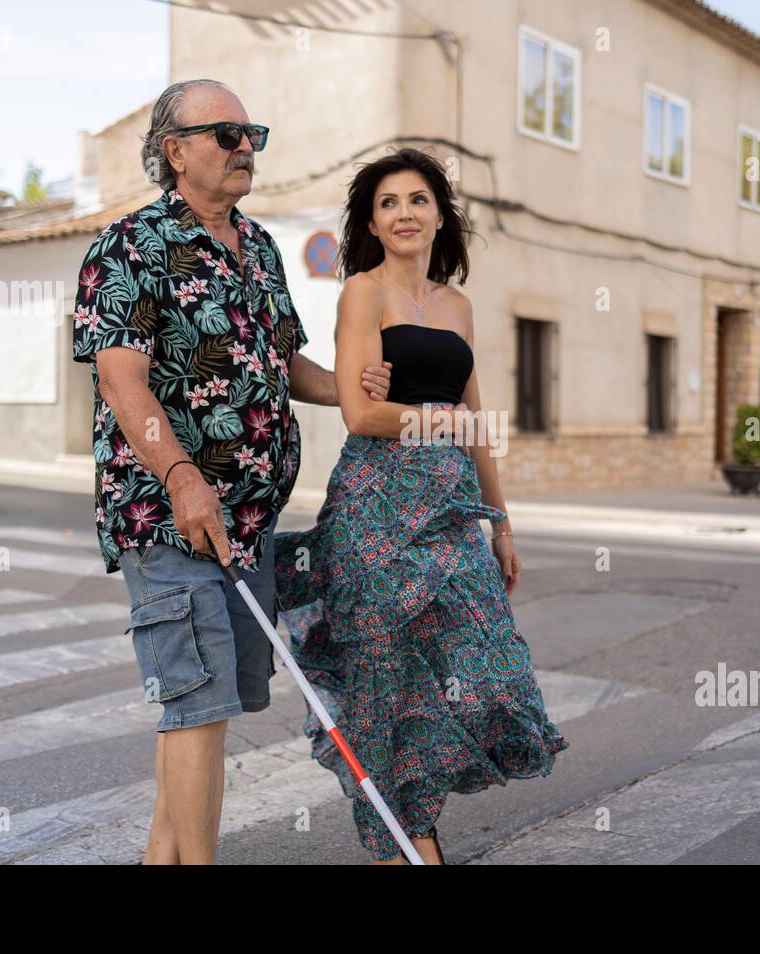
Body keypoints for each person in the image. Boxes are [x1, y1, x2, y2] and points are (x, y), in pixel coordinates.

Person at [71, 78, 392, 864]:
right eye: (226, 134)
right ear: (173, 151)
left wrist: (358, 388)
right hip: (167, 514)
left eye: (252, 132)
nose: (245, 145)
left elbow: (285, 365)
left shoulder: (259, 248)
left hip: (249, 525)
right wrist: (182, 477)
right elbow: (122, 381)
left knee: (205, 709)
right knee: (197, 702)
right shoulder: (129, 247)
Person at [273, 147, 568, 865]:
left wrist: (501, 524)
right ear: (372, 224)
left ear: (439, 214)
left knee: (491, 672)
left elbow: (478, 423)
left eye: (417, 200)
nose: (404, 213)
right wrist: (440, 419)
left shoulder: (459, 306)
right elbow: (361, 417)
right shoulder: (362, 293)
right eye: (387, 203)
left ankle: (412, 832)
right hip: (374, 516)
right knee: (383, 690)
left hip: (450, 515)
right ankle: (407, 844)